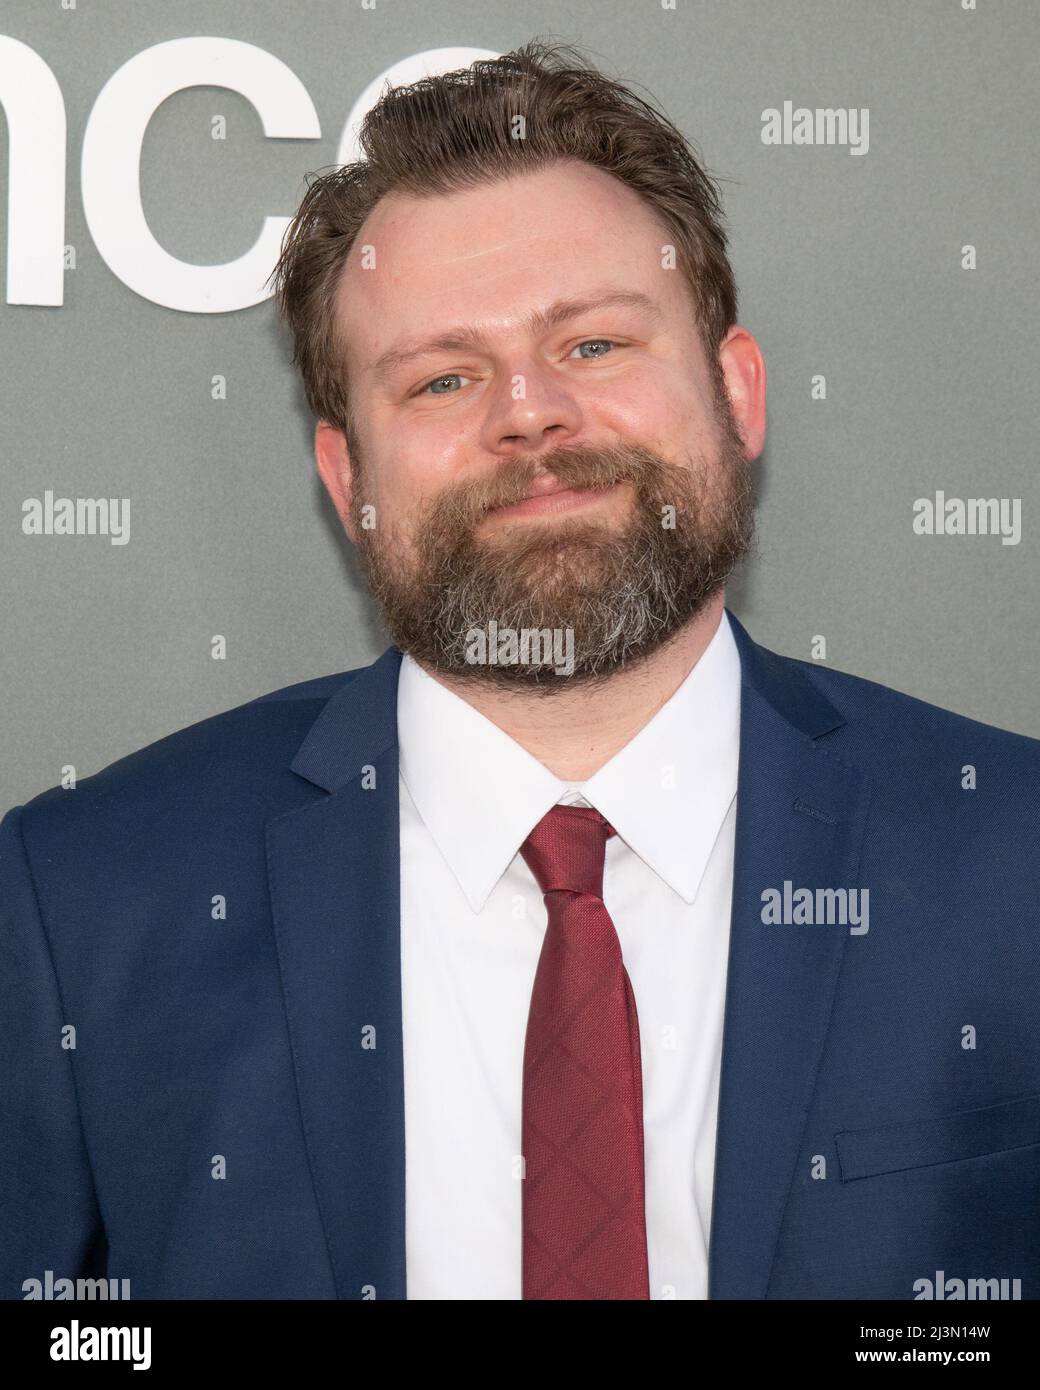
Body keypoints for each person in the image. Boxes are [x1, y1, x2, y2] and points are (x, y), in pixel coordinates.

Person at [2, 40, 1038, 1302]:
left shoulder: (1009, 855)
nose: (529, 413)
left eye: (594, 345)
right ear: (346, 483)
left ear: (737, 392)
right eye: (442, 377)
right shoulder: (83, 899)